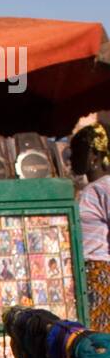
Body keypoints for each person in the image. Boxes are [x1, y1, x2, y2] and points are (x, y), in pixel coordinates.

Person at [71, 122, 110, 331]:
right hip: (87, 275)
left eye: (76, 152)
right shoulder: (88, 189)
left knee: (99, 341)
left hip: (99, 275)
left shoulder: (106, 187)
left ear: (93, 155)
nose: (71, 159)